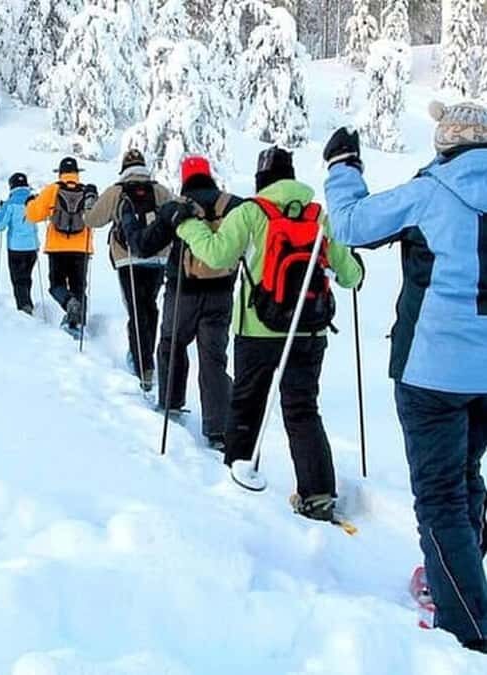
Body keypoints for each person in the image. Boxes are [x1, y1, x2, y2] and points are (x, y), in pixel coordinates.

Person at [323, 102, 487, 652]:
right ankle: (459, 585)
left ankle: (466, 626)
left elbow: (349, 225)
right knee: (465, 477)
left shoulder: (431, 191)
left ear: (446, 144)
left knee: (440, 495)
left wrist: (343, 166)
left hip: (431, 367)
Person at [176, 146, 362, 522]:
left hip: (258, 329)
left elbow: (216, 255)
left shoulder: (251, 211)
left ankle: (238, 479)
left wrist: (185, 225)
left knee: (247, 403)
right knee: (303, 408)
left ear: (262, 180)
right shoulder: (318, 216)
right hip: (309, 331)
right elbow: (350, 275)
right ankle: (318, 495)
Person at [123, 155, 242, 449]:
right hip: (222, 294)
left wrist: (129, 221)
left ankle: (171, 404)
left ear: (185, 178)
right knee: (214, 358)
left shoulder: (177, 208)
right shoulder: (233, 205)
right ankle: (218, 430)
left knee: (171, 345)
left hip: (182, 292)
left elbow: (143, 246)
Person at [84, 149, 173, 390]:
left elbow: (92, 220)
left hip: (128, 259)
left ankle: (141, 364)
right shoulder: (160, 190)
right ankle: (148, 361)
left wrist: (89, 202)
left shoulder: (117, 191)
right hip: (158, 259)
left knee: (136, 310)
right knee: (150, 307)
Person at [26, 157, 97, 336]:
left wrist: (29, 203)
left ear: (60, 173)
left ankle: (68, 304)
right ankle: (79, 324)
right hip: (81, 248)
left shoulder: (53, 190)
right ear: (77, 173)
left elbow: (34, 215)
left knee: (56, 284)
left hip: (57, 248)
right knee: (79, 287)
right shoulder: (87, 192)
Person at [0, 173, 39, 314]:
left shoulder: (10, 203)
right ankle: (27, 302)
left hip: (16, 248)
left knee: (18, 279)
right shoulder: (34, 201)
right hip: (32, 247)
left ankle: (24, 307)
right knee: (27, 277)